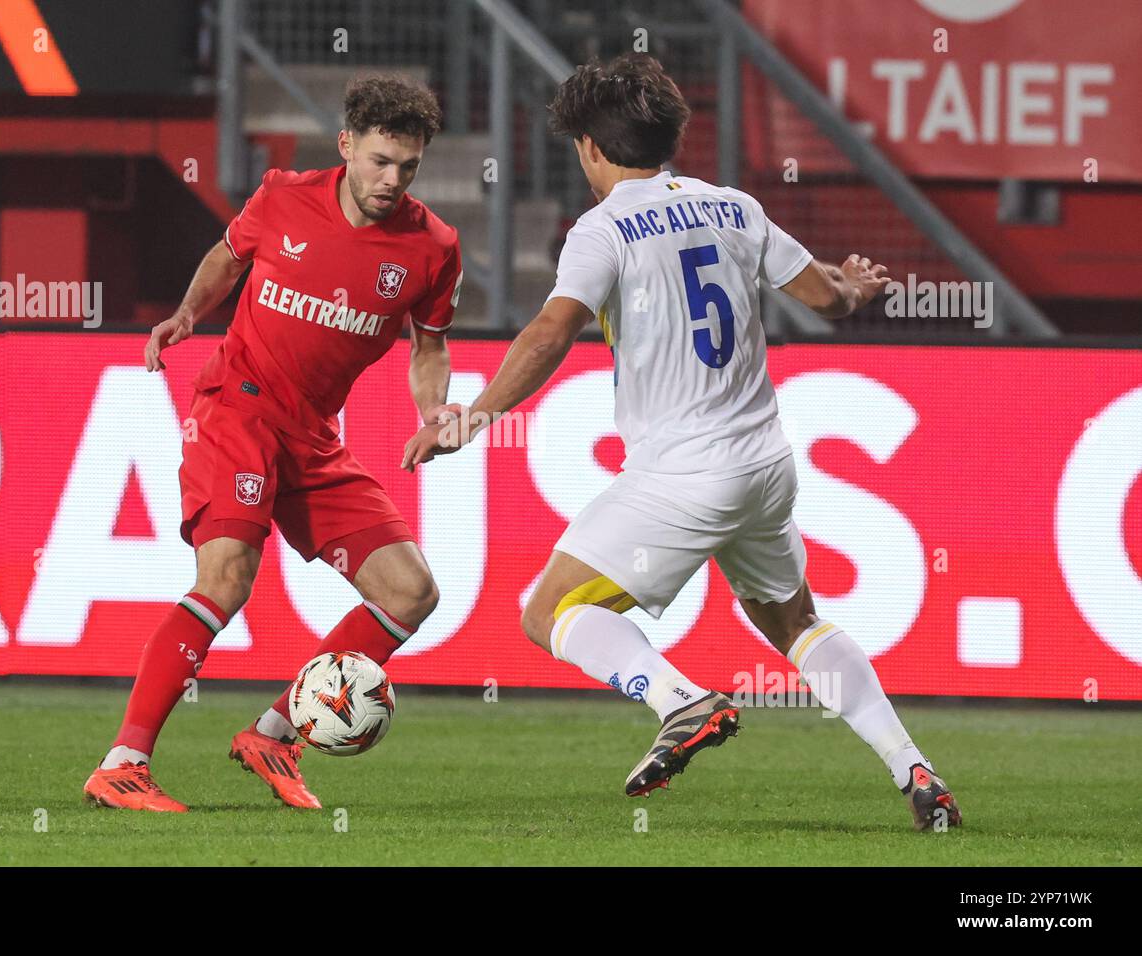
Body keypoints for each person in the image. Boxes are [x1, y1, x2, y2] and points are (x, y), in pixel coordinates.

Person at [402, 54, 960, 831]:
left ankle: (680, 702)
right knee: (795, 620)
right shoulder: (734, 208)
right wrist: (854, 286)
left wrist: (474, 415)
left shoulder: (601, 231)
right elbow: (828, 299)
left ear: (593, 148)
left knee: (547, 611)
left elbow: (551, 329)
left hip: (685, 473)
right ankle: (916, 771)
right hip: (765, 465)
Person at [84, 75, 462, 812]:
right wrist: (188, 314)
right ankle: (123, 761)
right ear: (347, 146)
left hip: (314, 437)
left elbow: (429, 348)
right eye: (381, 161)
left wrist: (435, 410)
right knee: (226, 576)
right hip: (240, 408)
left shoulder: (432, 247)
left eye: (408, 167)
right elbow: (229, 255)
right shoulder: (284, 195)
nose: (392, 180)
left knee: (410, 592)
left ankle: (273, 733)